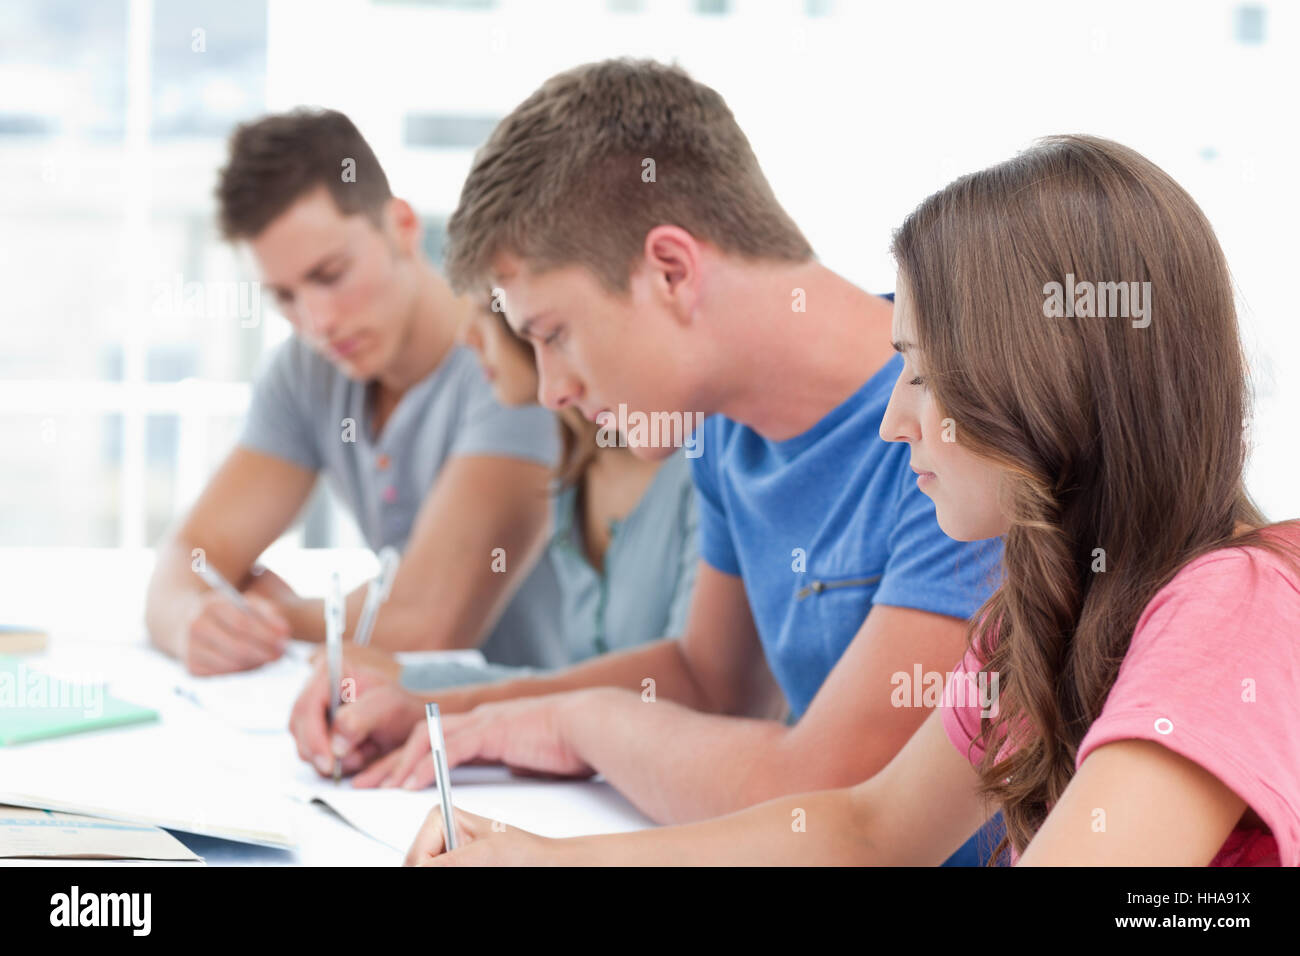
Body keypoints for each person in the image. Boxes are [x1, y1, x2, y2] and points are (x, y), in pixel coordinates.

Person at [404, 134, 1300, 866]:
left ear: (1043, 383)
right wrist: (549, 861)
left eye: (923, 372)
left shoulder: (1230, 605)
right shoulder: (1033, 620)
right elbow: (867, 831)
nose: (894, 422)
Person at [291, 60, 1004, 865]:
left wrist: (571, 722)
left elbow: (831, 793)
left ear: (671, 270)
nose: (551, 389)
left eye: (553, 333)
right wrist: (444, 707)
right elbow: (703, 679)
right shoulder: (725, 432)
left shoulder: (962, 437)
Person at [145, 108, 559, 678]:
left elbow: (425, 627)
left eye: (330, 274)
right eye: (284, 297)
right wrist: (193, 620)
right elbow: (189, 557)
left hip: (541, 736)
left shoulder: (510, 365)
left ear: (403, 227)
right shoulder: (306, 373)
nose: (317, 322)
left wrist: (276, 611)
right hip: (405, 727)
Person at [349, 293, 699, 707]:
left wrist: (423, 685)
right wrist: (407, 680)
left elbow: (690, 694)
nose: (465, 338)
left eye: (487, 310)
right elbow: (581, 688)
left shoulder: (698, 463)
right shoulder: (573, 474)